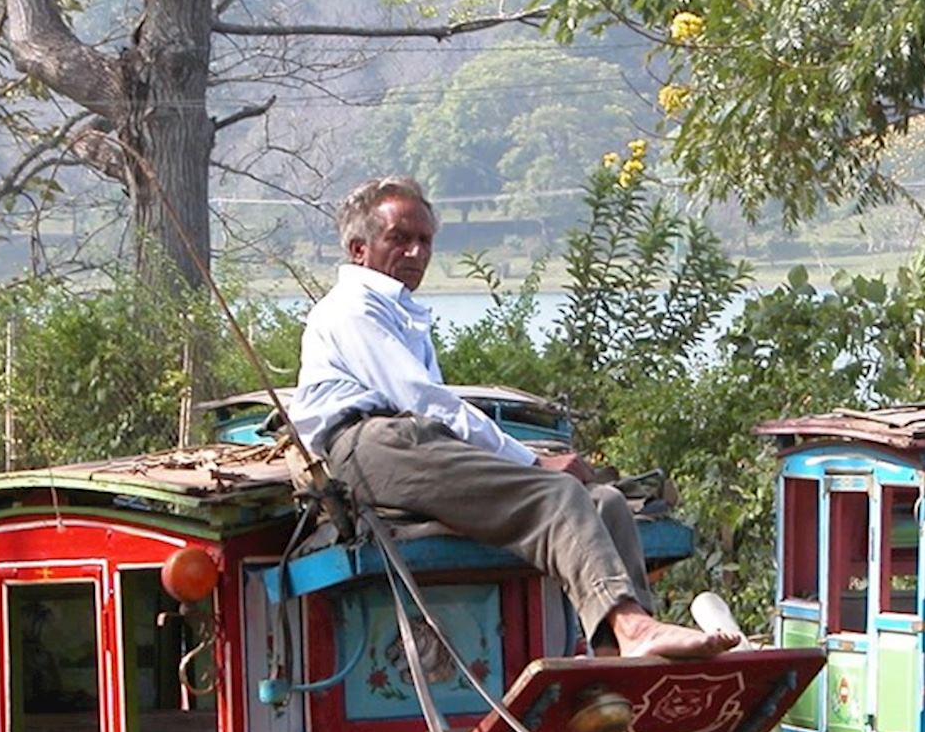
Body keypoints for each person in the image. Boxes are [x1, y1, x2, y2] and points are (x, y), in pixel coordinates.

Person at [289, 176, 735, 661]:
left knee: (605, 502)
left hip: (414, 442)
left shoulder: (400, 313)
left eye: (424, 241)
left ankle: (618, 663)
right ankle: (634, 628)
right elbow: (425, 401)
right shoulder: (351, 308)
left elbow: (432, 414)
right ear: (359, 249)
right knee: (560, 492)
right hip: (375, 447)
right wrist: (531, 461)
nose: (416, 253)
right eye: (400, 239)